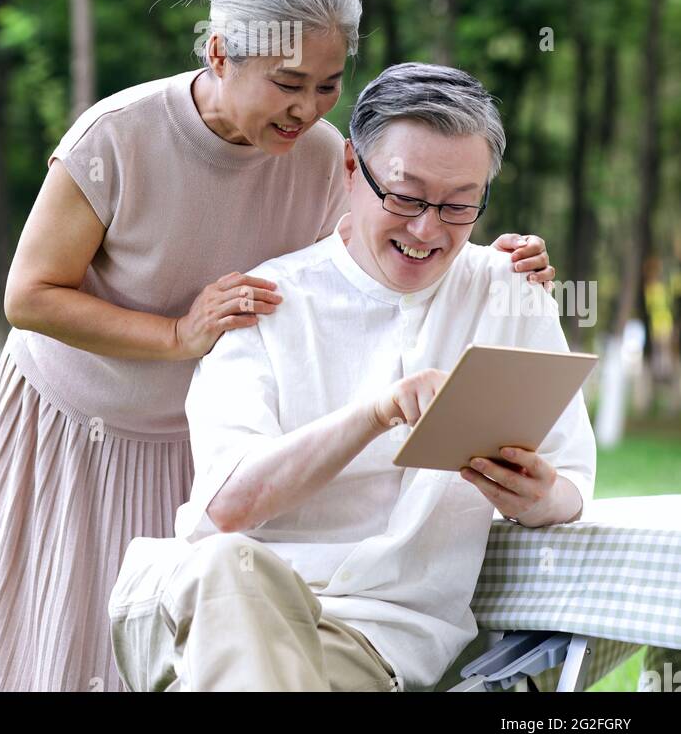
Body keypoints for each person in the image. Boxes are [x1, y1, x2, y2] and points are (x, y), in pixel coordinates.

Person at [0, 0, 555, 693]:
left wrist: (493, 259)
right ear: (218, 54)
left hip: (207, 443)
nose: (306, 108)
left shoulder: (319, 153)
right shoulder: (118, 136)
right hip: (81, 424)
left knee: (183, 646)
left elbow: (388, 241)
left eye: (329, 85)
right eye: (287, 82)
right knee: (59, 649)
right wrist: (178, 336)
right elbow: (28, 297)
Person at [108, 62, 596, 693]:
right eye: (406, 196)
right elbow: (226, 508)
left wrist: (539, 497)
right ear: (348, 169)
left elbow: (573, 483)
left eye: (458, 205)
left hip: (370, 641)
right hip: (221, 602)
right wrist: (377, 412)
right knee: (228, 565)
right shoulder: (267, 302)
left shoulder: (508, 295)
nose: (428, 230)